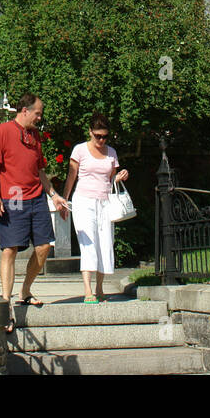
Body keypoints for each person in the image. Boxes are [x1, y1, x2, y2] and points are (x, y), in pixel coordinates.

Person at [0, 94, 70, 333]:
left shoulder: (34, 136)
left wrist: (53, 194)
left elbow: (40, 170)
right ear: (24, 110)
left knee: (44, 247)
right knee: (9, 249)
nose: (40, 117)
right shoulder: (1, 131)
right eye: (38, 113)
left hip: (36, 198)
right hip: (13, 197)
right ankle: (5, 304)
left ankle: (25, 290)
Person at [60, 113, 128, 303]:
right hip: (84, 201)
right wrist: (64, 201)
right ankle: (88, 290)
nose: (101, 140)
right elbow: (71, 177)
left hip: (105, 202)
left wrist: (120, 176)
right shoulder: (80, 150)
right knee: (88, 243)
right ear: (90, 132)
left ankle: (99, 288)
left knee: (105, 243)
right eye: (97, 136)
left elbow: (110, 179)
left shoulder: (111, 152)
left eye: (104, 136)